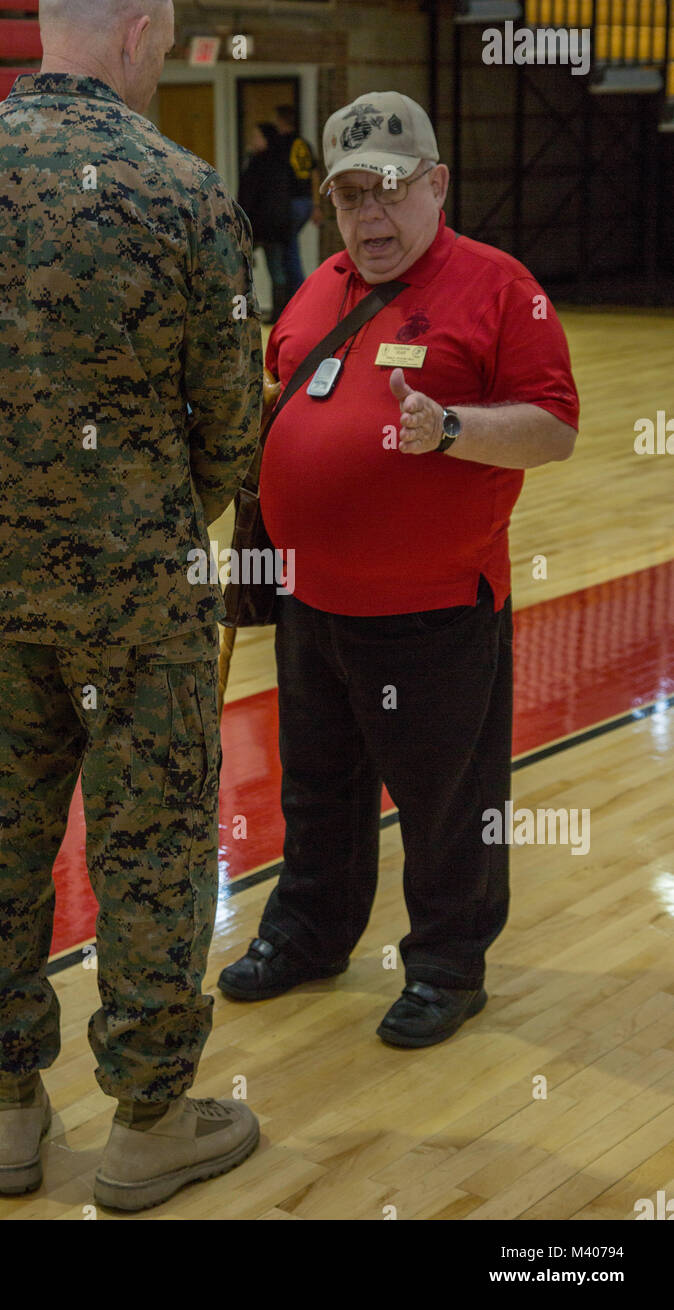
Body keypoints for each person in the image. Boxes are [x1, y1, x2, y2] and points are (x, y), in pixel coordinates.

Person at [0, 0, 263, 1213]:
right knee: (151, 851)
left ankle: (7, 1118)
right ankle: (148, 1126)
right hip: (137, 592)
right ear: (140, 33)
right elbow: (231, 421)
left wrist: (13, 490)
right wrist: (148, 506)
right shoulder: (184, 194)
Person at [218, 92, 579, 1051]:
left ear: (436, 185)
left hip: (432, 610)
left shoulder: (501, 287)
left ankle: (449, 966)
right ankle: (310, 933)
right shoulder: (317, 285)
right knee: (317, 784)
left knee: (447, 800)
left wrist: (454, 428)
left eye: (387, 191)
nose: (369, 218)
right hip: (310, 599)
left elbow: (555, 426)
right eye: (348, 198)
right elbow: (283, 387)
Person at [237, 122, 295, 323]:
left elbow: (249, 195)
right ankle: (279, 313)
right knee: (276, 270)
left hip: (262, 225)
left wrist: (244, 220)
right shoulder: (279, 162)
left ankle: (247, 312)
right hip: (275, 226)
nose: (252, 140)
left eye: (256, 136)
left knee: (251, 269)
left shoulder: (259, 163)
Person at [273, 104, 322, 295]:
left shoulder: (280, 144)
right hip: (306, 201)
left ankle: (301, 293)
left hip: (290, 202)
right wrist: (316, 204)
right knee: (289, 248)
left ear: (280, 120)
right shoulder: (303, 144)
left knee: (289, 251)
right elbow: (315, 173)